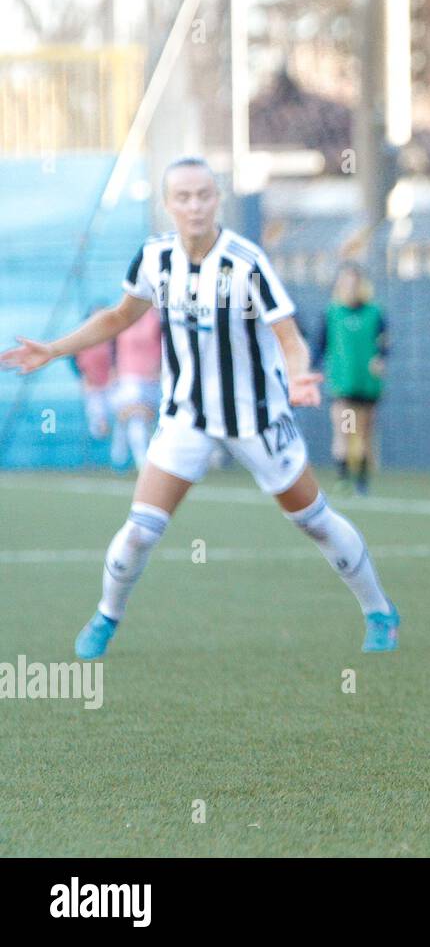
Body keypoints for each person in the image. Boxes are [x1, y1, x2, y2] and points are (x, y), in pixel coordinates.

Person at [0, 156, 400, 656]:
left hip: (256, 417)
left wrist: (299, 376)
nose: (194, 205)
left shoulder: (245, 261)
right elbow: (120, 316)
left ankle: (380, 611)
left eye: (204, 195)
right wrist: (56, 348)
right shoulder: (153, 259)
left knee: (313, 520)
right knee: (139, 532)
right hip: (186, 417)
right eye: (183, 197)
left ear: (217, 200)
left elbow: (290, 337)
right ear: (168, 205)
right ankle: (106, 616)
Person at [314, 263, 387, 495]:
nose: (350, 288)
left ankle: (362, 479)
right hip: (343, 386)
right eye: (345, 282)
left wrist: (381, 358)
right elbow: (321, 346)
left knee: (365, 433)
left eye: (354, 283)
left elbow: (385, 344)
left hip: (367, 385)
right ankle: (344, 476)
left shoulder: (374, 313)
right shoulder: (332, 313)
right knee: (345, 429)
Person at [108, 301, 163, 470]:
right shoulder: (123, 314)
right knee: (135, 419)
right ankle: (140, 462)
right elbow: (113, 345)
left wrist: (160, 367)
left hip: (151, 377)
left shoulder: (157, 317)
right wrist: (113, 370)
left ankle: (120, 457)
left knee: (145, 417)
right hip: (128, 376)